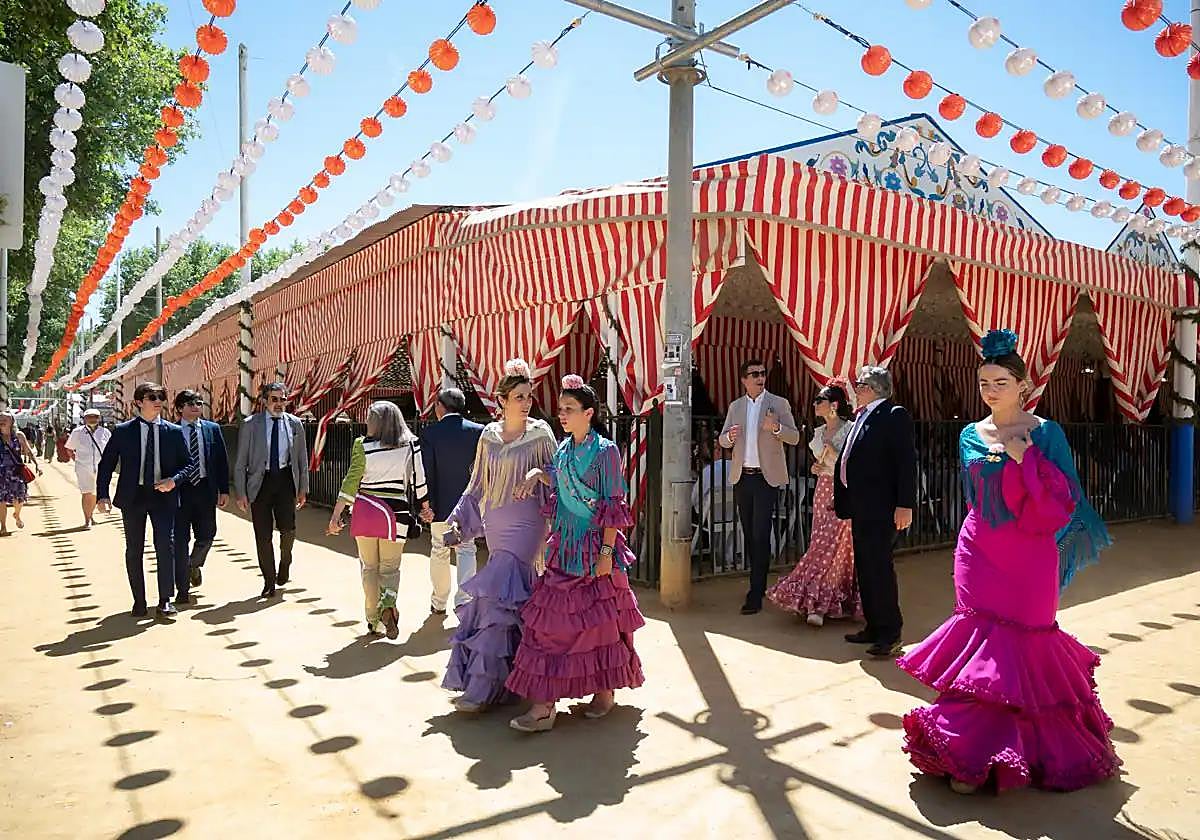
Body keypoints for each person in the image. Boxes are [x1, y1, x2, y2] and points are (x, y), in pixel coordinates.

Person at [898, 329, 1118, 794]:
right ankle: (969, 751)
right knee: (981, 647)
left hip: (1031, 557)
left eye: (1000, 382)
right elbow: (975, 496)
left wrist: (1027, 459)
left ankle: (1026, 752)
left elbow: (1067, 501)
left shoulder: (1047, 433)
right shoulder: (967, 434)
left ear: (1022, 385)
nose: (990, 391)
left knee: (1028, 646)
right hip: (979, 553)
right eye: (983, 383)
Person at [505, 375, 646, 732]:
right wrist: (538, 473)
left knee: (598, 626)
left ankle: (604, 691)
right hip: (564, 548)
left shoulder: (605, 451)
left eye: (569, 409)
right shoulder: (564, 449)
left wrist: (606, 552)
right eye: (561, 410)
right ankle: (544, 705)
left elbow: (614, 504)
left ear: (589, 413)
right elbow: (559, 481)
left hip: (594, 548)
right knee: (549, 626)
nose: (562, 415)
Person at [441, 359, 558, 713]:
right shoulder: (488, 437)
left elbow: (559, 476)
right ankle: (519, 680)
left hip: (527, 527)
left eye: (529, 396)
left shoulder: (541, 433)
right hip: (496, 527)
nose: (526, 402)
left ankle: (480, 691)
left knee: (495, 595)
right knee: (512, 602)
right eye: (519, 396)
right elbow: (476, 484)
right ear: (502, 401)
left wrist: (538, 472)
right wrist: (459, 520)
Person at [326, 401, 432, 638]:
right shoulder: (411, 444)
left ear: (377, 422)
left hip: (365, 511)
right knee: (390, 568)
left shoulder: (361, 446)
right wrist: (426, 507)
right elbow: (420, 479)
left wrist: (336, 515)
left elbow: (351, 482)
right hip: (396, 514)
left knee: (369, 568)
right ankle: (388, 606)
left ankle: (373, 620)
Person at [833, 365, 916, 658]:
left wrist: (905, 504)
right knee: (866, 568)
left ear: (875, 388)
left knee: (879, 569)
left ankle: (890, 633)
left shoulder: (893, 415)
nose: (856, 389)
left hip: (882, 508)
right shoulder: (863, 415)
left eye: (861, 384)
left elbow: (905, 463)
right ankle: (873, 625)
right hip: (862, 506)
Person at [767, 381, 860, 627]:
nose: (815, 404)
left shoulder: (851, 430)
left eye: (820, 400)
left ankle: (822, 602)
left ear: (834, 405)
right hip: (823, 490)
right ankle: (817, 601)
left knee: (837, 546)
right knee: (820, 541)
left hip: (844, 490)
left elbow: (856, 464)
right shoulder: (818, 433)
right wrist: (817, 467)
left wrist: (833, 457)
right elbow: (820, 464)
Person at [95, 383, 191, 618]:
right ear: (139, 402)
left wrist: (174, 481)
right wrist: (102, 494)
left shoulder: (174, 432)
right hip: (133, 496)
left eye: (161, 397)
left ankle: (165, 600)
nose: (158, 401)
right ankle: (139, 600)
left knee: (165, 546)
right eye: (152, 397)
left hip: (163, 496)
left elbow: (188, 465)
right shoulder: (123, 431)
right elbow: (106, 464)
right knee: (134, 549)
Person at [717, 359, 802, 615]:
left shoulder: (778, 403)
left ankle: (756, 591)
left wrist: (776, 427)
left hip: (766, 479)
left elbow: (795, 437)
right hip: (743, 476)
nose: (760, 377)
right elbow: (722, 439)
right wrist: (729, 438)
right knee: (750, 533)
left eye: (762, 373)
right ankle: (758, 583)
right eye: (754, 374)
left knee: (761, 533)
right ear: (743, 379)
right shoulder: (736, 406)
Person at [233, 382, 309, 598]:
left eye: (282, 399)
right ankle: (269, 580)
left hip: (286, 481)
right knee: (262, 535)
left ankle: (285, 562)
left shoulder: (295, 424)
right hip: (260, 483)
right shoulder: (251, 425)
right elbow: (240, 462)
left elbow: (302, 460)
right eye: (274, 399)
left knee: (288, 530)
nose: (279, 404)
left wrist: (303, 488)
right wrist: (241, 493)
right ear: (265, 401)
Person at [419, 388, 484, 614]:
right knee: (466, 549)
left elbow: (426, 472)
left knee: (440, 550)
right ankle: (464, 600)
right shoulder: (478, 431)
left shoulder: (430, 434)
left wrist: (427, 504)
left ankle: (439, 601)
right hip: (469, 504)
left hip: (441, 504)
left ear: (440, 406)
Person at [173, 390, 230, 591]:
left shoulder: (212, 429)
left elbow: (221, 461)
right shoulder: (171, 430)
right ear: (180, 408)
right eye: (190, 403)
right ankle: (181, 581)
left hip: (205, 489)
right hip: (180, 490)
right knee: (180, 537)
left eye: (198, 403)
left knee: (207, 534)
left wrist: (224, 490)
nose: (196, 406)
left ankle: (193, 564)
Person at [65, 408, 113, 529]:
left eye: (95, 417)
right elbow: (69, 448)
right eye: (89, 417)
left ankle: (91, 515)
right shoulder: (77, 432)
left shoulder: (105, 432)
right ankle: (87, 519)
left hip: (101, 468)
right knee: (87, 493)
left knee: (96, 493)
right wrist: (76, 460)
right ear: (85, 419)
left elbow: (111, 450)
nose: (92, 419)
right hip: (83, 467)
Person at [0, 411, 41, 537]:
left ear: (11, 422)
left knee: (19, 498)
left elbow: (28, 451)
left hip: (16, 471)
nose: (1, 421)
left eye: (4, 419)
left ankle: (17, 514)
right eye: (0, 418)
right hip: (1, 472)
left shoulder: (19, 436)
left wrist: (36, 464)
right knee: (1, 500)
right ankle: (3, 526)